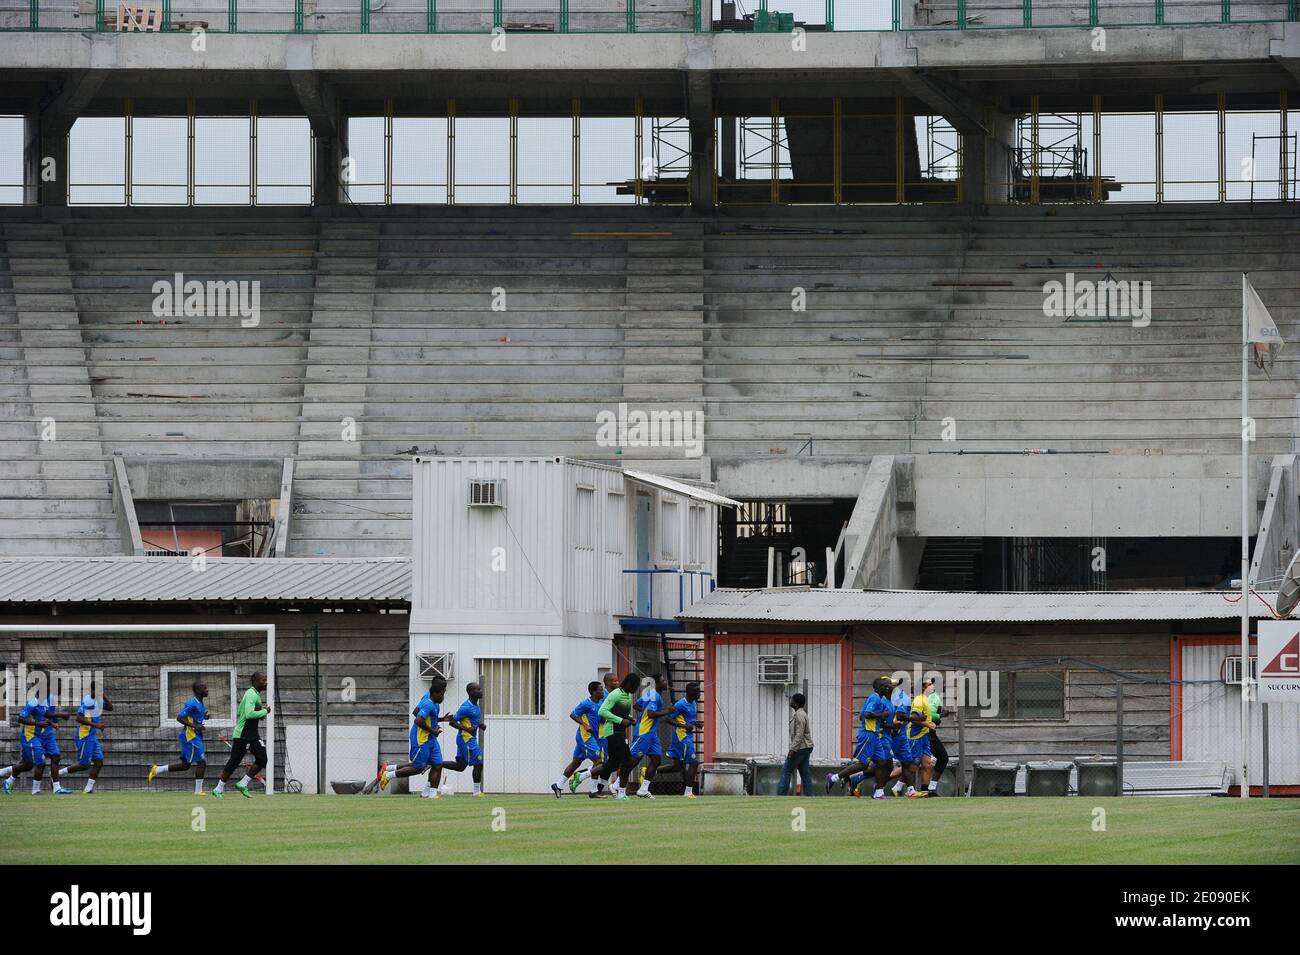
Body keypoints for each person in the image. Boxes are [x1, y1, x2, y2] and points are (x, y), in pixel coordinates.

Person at [379, 677, 450, 798]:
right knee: (419, 767)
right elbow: (417, 718)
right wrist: (431, 729)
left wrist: (440, 720)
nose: (444, 693)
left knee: (437, 765)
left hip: (431, 738)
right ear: (436, 690)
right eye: (443, 690)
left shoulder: (435, 704)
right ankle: (389, 774)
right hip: (421, 739)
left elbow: (425, 716)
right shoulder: (428, 701)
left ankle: (430, 794)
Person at [825, 676, 893, 795]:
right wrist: (881, 715)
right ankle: (834, 778)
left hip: (875, 735)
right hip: (868, 734)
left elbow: (862, 715)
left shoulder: (880, 700)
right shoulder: (875, 698)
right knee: (863, 764)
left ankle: (879, 792)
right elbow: (866, 714)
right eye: (888, 686)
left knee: (883, 762)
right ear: (882, 688)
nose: (890, 688)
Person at [213, 671, 270, 799]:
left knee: (262, 759)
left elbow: (243, 711)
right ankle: (218, 788)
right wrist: (265, 711)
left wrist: (261, 713)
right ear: (255, 681)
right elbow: (249, 714)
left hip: (252, 734)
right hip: (242, 734)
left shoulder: (255, 694)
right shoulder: (251, 694)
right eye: (263, 680)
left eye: (266, 680)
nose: (265, 683)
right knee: (234, 762)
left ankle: (243, 783)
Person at [150, 680, 210, 793]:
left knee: (185, 765)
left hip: (195, 736)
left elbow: (197, 715)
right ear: (198, 690)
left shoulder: (200, 703)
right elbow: (179, 717)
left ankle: (157, 769)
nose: (207, 690)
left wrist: (206, 716)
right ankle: (198, 792)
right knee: (202, 762)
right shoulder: (191, 703)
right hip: (190, 737)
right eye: (204, 688)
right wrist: (196, 726)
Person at [554, 681, 605, 798]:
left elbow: (598, 718)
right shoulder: (585, 703)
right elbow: (573, 714)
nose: (602, 692)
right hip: (586, 737)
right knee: (599, 761)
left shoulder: (601, 702)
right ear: (594, 692)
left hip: (594, 737)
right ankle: (593, 791)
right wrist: (584, 724)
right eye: (600, 690)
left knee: (575, 763)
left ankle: (558, 785)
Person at [595, 672, 640, 800]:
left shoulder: (627, 695)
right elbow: (602, 711)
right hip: (613, 731)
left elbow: (621, 713)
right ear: (630, 684)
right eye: (635, 686)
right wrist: (621, 721)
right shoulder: (616, 694)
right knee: (628, 761)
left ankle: (586, 778)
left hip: (620, 731)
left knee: (613, 764)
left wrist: (630, 719)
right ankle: (620, 793)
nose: (636, 689)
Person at [62, 683, 113, 793]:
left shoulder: (98, 700)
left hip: (92, 736)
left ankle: (88, 789)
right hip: (84, 735)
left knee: (99, 762)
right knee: (84, 764)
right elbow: (78, 718)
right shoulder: (87, 701)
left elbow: (110, 707)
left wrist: (103, 696)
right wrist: (96, 725)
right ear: (92, 690)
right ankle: (57, 773)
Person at [656, 682, 703, 798]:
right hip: (682, 737)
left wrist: (695, 723)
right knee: (694, 763)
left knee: (677, 767)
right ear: (689, 692)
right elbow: (667, 718)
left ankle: (649, 770)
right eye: (697, 691)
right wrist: (684, 726)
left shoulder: (693, 703)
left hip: (687, 736)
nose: (699, 694)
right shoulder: (680, 704)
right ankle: (688, 793)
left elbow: (686, 719)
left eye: (699, 691)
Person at [1, 689, 51, 795]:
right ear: (39, 693)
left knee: (27, 765)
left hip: (37, 737)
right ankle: (36, 790)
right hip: (29, 737)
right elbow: (20, 719)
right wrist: (37, 724)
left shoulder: (43, 704)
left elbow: (42, 718)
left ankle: (8, 780)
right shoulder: (32, 703)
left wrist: (51, 723)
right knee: (41, 761)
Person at [628, 673, 671, 799]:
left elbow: (636, 705)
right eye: (663, 680)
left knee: (656, 759)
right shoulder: (654, 696)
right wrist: (666, 711)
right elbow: (651, 714)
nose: (665, 683)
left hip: (652, 734)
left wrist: (645, 712)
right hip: (644, 732)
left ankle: (643, 789)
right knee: (634, 759)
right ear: (656, 684)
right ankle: (617, 784)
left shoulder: (651, 694)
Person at [441, 682, 486, 796]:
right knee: (479, 762)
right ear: (471, 692)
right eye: (478, 689)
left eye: (480, 689)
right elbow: (452, 722)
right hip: (466, 739)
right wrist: (467, 729)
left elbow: (472, 720)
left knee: (461, 766)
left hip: (467, 739)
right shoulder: (466, 707)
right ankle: (476, 792)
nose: (481, 691)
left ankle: (436, 763)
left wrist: (480, 725)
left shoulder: (476, 705)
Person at [903, 680, 938, 799]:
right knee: (912, 767)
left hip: (924, 737)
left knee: (927, 765)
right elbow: (913, 718)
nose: (933, 685)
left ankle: (924, 792)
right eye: (930, 684)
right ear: (923, 687)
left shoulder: (925, 699)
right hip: (915, 737)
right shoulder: (919, 699)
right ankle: (889, 783)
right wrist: (928, 725)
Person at [778, 693, 814, 796]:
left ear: (796, 704)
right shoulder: (801, 714)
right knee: (805, 774)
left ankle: (780, 796)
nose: (790, 700)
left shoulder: (799, 715)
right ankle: (809, 796)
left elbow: (800, 733)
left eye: (792, 699)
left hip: (800, 748)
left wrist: (792, 749)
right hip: (805, 747)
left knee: (786, 771)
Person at [37, 692, 73, 795]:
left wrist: (55, 721)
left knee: (56, 756)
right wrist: (61, 715)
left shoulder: (52, 697)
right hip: (38, 733)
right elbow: (44, 714)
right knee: (28, 762)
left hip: (48, 733)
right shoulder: (41, 696)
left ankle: (56, 788)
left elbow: (51, 712)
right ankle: (10, 779)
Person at [922, 676, 948, 796]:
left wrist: (938, 718)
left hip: (929, 730)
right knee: (940, 758)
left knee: (917, 761)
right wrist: (941, 715)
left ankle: (930, 789)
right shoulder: (932, 696)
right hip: (926, 731)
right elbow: (929, 715)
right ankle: (928, 789)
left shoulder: (935, 696)